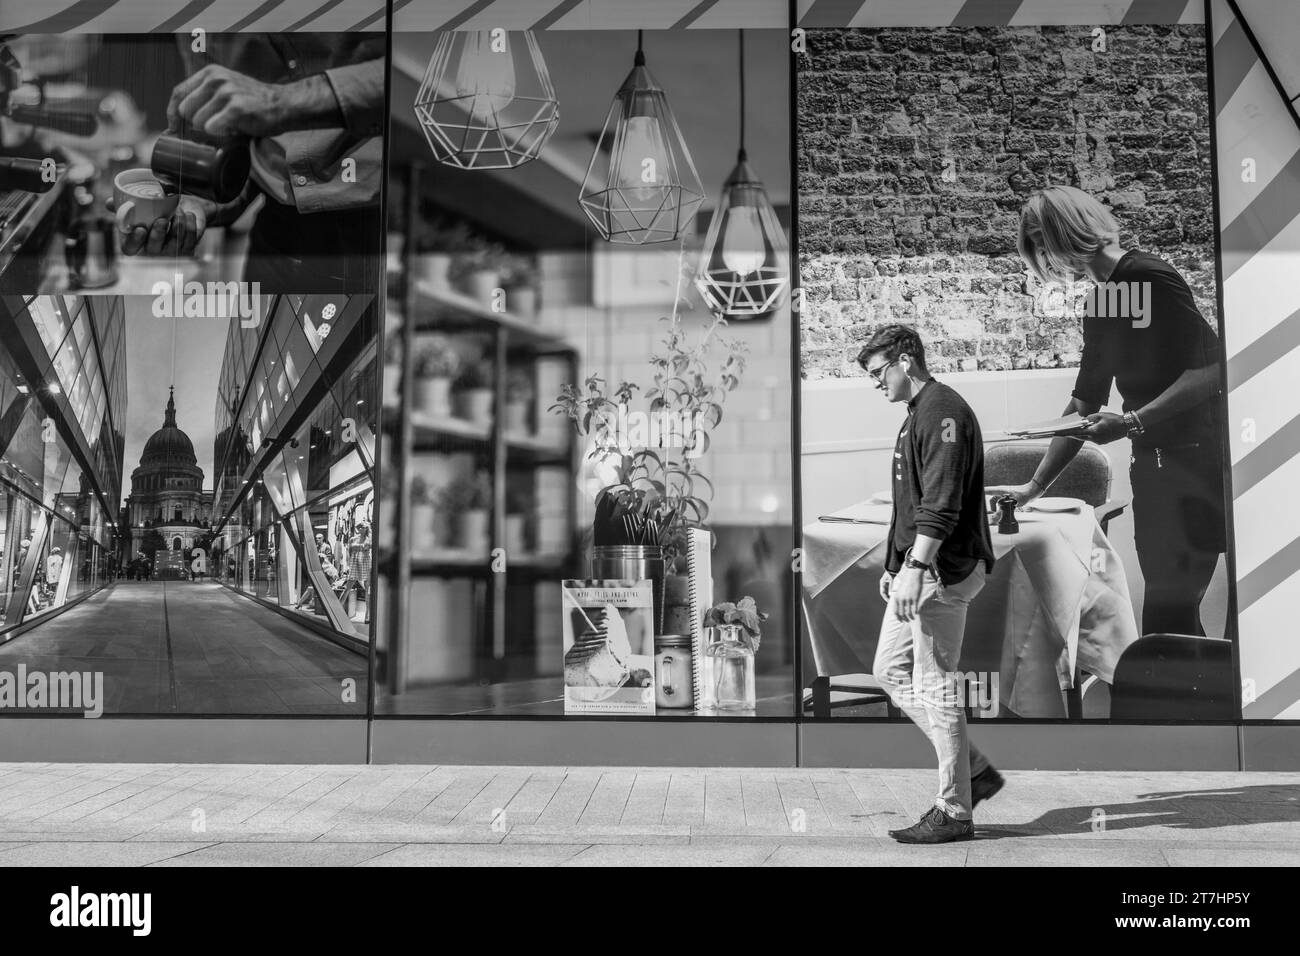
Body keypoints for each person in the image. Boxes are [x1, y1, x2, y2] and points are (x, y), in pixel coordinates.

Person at [993, 186, 1226, 637]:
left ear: (1063, 235)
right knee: (1167, 613)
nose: (1048, 261)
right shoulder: (1100, 301)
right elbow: (1084, 403)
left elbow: (1214, 368)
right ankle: (1183, 703)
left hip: (1195, 465)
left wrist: (1134, 421)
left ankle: (1189, 704)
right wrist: (1033, 486)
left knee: (1169, 612)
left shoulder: (1149, 276)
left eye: (1043, 246)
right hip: (1154, 469)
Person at [858, 325, 1004, 844]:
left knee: (936, 685)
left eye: (879, 373)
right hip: (920, 570)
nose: (876, 384)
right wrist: (894, 565)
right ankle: (975, 772)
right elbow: (909, 502)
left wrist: (916, 570)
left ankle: (956, 810)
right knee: (890, 671)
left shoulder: (943, 411)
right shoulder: (917, 415)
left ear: (906, 359)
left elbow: (940, 505)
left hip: (942, 571)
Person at [116, 35, 384, 291]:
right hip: (273, 236)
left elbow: (419, 80)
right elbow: (226, 140)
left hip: (374, 226)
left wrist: (282, 102)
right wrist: (201, 198)